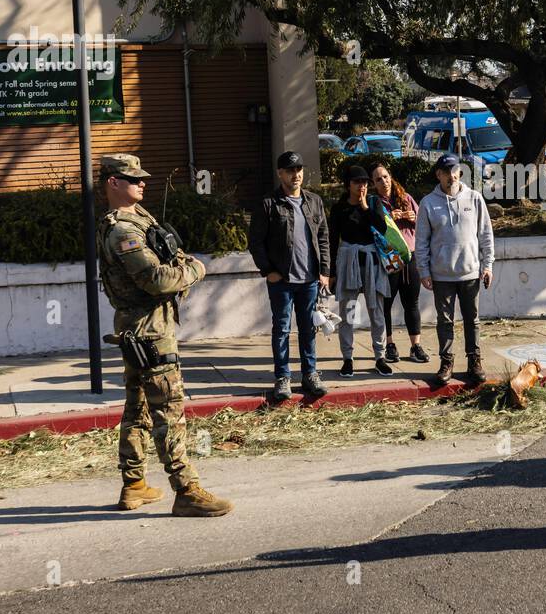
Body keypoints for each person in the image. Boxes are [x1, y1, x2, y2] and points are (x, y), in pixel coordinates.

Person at [97, 153, 232, 517]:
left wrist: (182, 263)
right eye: (133, 178)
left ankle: (135, 484)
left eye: (142, 177)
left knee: (137, 408)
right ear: (113, 183)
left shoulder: (137, 218)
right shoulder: (123, 230)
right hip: (148, 332)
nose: (142, 182)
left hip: (142, 329)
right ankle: (186, 490)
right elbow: (156, 279)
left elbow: (169, 251)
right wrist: (196, 270)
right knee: (169, 411)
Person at [249, 150, 331, 404]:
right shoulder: (268, 204)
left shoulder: (314, 201)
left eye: (299, 170)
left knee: (308, 330)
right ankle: (283, 377)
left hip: (309, 280)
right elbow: (255, 242)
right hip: (282, 281)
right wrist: (268, 271)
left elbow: (323, 237)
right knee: (282, 330)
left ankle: (310, 375)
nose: (296, 175)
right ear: (280, 173)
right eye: (290, 171)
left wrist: (325, 271)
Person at [415, 154, 495, 387]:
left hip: (470, 272)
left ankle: (474, 361)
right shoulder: (428, 203)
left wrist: (487, 265)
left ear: (460, 172)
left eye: (455, 171)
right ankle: (446, 362)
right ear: (438, 175)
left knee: (473, 319)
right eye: (446, 171)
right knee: (445, 321)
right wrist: (424, 271)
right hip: (442, 275)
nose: (451, 176)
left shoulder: (475, 198)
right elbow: (421, 242)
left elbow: (486, 235)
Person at [329, 166, 392, 376]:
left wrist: (365, 206)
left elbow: (382, 228)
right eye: (357, 182)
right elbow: (332, 240)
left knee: (377, 311)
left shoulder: (373, 204)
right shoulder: (339, 209)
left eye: (365, 182)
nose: (362, 186)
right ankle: (348, 357)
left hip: (372, 261)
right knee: (349, 312)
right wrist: (331, 272)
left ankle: (380, 356)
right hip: (349, 263)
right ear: (348, 185)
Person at [371, 163, 429, 363]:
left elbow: (425, 224)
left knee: (411, 303)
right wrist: (388, 220)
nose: (384, 181)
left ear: (391, 177)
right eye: (378, 179)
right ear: (373, 184)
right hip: (389, 259)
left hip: (410, 256)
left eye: (385, 176)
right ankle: (389, 344)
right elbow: (372, 231)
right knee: (385, 304)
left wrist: (414, 218)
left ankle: (415, 346)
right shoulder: (374, 203)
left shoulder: (406, 198)